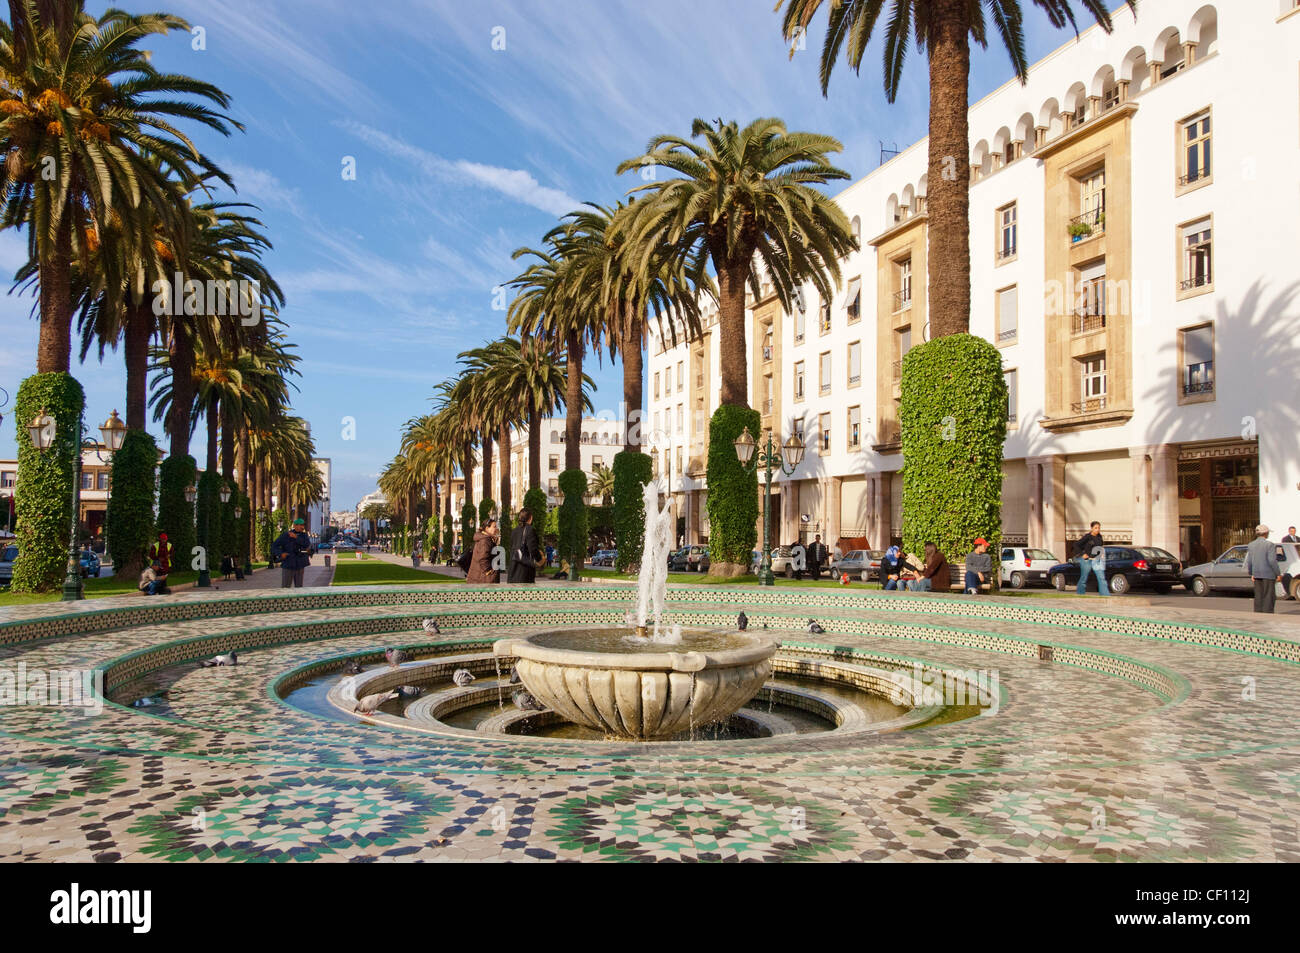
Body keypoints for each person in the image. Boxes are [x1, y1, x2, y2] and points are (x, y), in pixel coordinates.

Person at [1245, 524, 1281, 614]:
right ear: (1266, 533)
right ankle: (1267, 613)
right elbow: (1272, 560)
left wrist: (1251, 573)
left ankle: (1258, 613)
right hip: (1268, 574)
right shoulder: (1270, 545)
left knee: (1258, 595)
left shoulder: (1251, 545)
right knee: (1268, 595)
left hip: (1257, 573)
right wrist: (1278, 573)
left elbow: (1249, 561)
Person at [271, 518, 313, 588]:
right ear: (295, 525)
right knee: (285, 587)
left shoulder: (304, 536)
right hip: (288, 564)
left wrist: (296, 537)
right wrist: (281, 553)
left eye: (303, 525)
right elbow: (274, 546)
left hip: (300, 564)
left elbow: (306, 544)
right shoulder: (286, 535)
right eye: (301, 525)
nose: (302, 527)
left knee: (299, 587)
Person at [1072, 521, 1109, 596]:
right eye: (1095, 528)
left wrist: (1101, 554)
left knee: (1101, 578)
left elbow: (1100, 547)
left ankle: (1105, 595)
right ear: (1091, 528)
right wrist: (1082, 554)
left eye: (1099, 528)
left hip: (1097, 560)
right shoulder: (1087, 537)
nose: (1097, 529)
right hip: (1087, 560)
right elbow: (1076, 545)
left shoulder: (1100, 537)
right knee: (1084, 578)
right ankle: (1080, 593)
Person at [508, 508, 542, 584]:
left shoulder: (514, 530)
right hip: (524, 569)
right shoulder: (530, 530)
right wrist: (539, 559)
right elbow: (532, 549)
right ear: (530, 518)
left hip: (513, 567)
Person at [466, 518, 500, 584]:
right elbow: (483, 558)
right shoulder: (485, 540)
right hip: (483, 578)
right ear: (487, 528)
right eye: (494, 527)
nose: (496, 529)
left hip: (478, 577)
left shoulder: (485, 539)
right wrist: (489, 571)